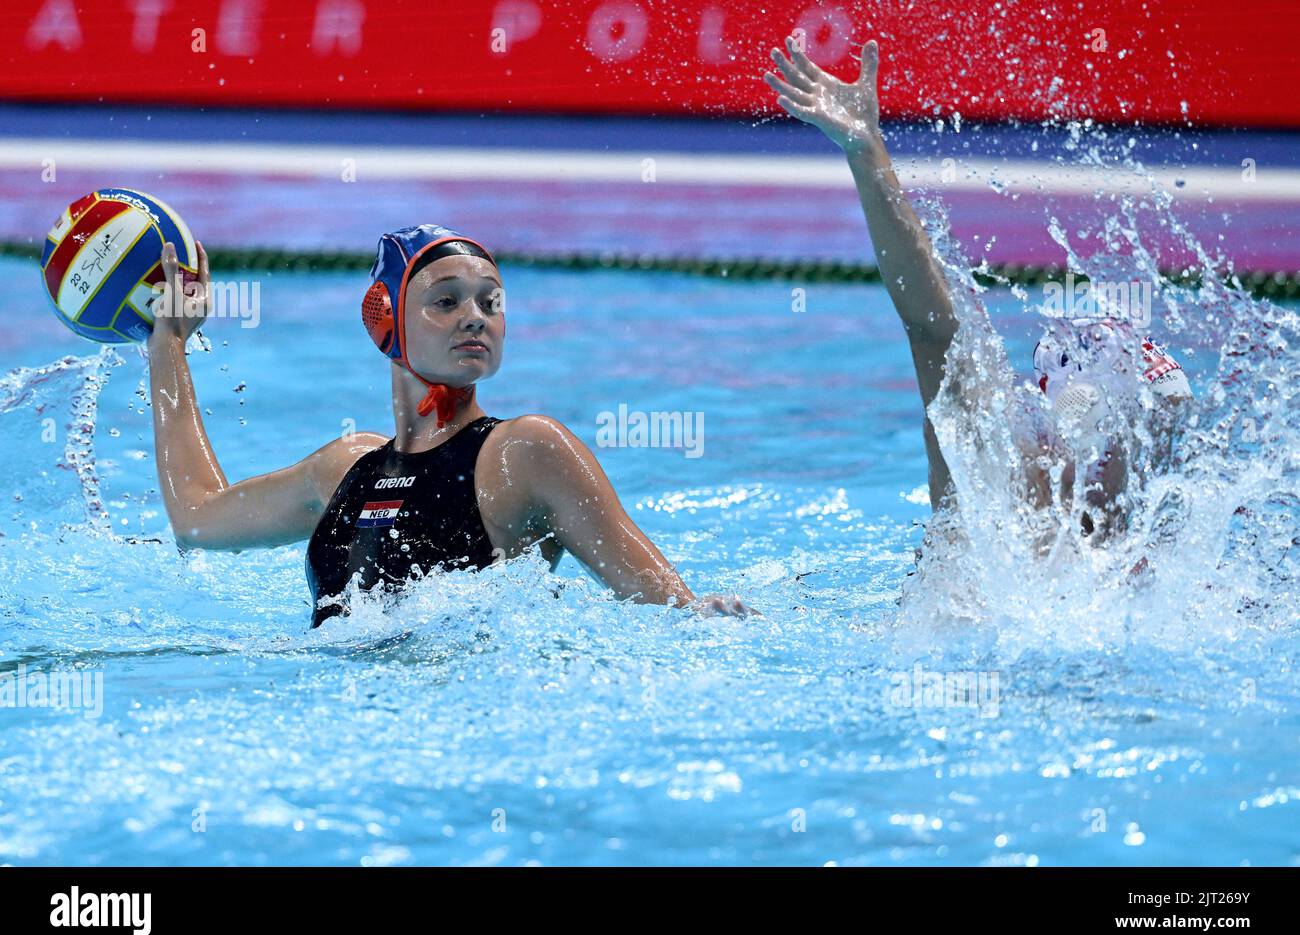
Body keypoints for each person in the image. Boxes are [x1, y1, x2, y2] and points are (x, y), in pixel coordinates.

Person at [147, 225, 751, 626]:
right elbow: (197, 518)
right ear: (384, 318)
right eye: (446, 301)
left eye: (490, 302)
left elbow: (672, 612)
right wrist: (167, 342)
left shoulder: (525, 453)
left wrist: (709, 616)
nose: (475, 318)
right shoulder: (344, 470)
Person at [765, 36, 1191, 542]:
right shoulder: (992, 496)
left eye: (1138, 441)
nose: (1121, 464)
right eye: (1116, 440)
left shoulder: (1166, 559)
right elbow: (932, 330)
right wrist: (867, 149)